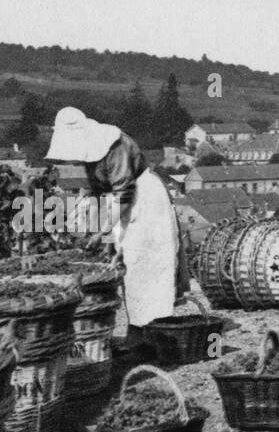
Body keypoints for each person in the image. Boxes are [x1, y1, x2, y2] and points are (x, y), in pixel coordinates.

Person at [45, 106, 182, 344]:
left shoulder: (114, 144)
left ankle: (153, 333)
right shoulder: (92, 151)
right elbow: (99, 189)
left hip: (145, 201)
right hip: (123, 206)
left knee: (147, 266)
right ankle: (138, 332)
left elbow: (125, 193)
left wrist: (103, 231)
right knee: (128, 266)